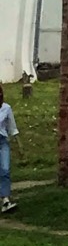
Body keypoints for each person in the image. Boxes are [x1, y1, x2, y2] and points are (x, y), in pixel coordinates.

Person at [0, 86, 17, 214]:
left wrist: (19, 145)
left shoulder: (6, 108)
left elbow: (12, 128)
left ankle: (5, 199)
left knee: (5, 170)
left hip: (2, 142)